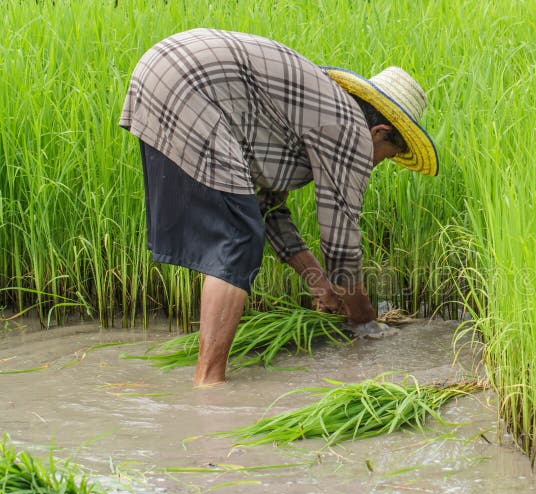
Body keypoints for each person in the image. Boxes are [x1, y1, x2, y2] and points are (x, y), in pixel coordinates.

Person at [119, 28, 438, 386]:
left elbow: (267, 209)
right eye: (388, 155)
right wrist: (364, 321)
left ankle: (206, 378)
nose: (376, 163)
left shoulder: (318, 111)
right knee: (238, 240)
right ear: (379, 132)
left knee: (241, 228)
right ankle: (209, 385)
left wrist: (319, 284)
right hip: (192, 86)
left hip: (160, 73)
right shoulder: (350, 127)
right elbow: (341, 245)